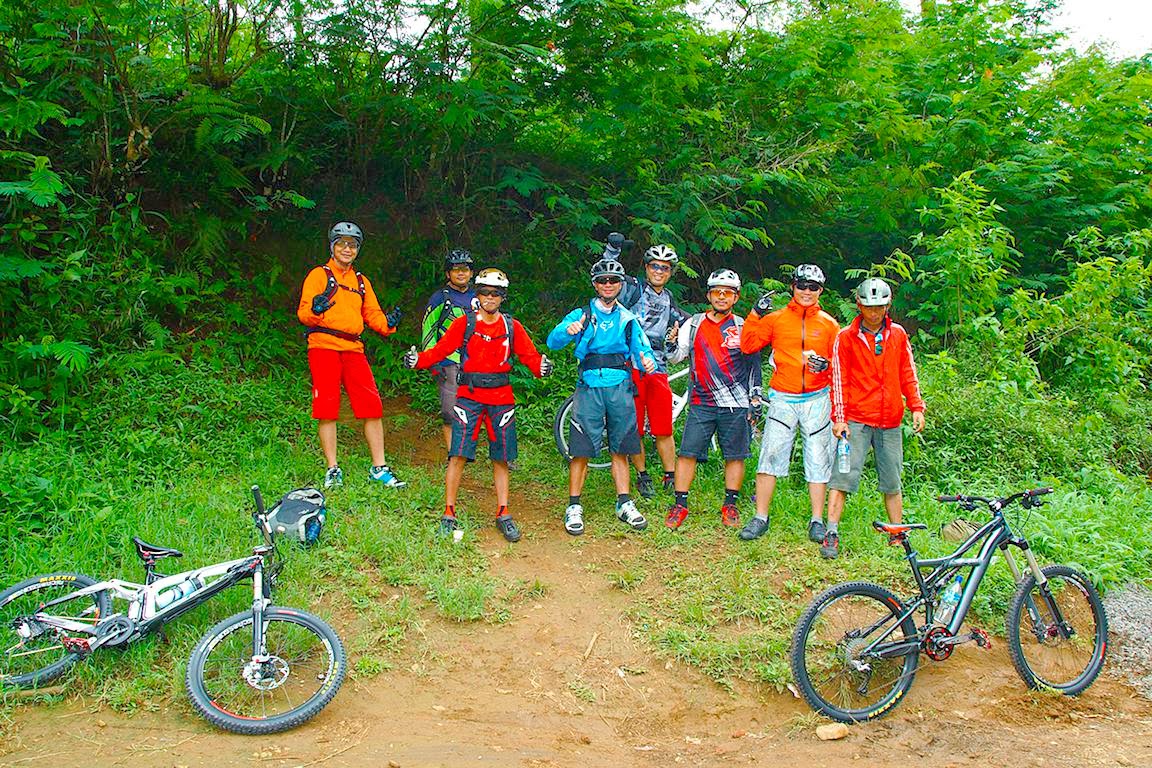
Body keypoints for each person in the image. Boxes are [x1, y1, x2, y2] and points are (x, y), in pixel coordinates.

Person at [404, 269, 552, 542]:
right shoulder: (465, 323)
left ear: (502, 297)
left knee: (501, 456)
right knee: (457, 454)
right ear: (477, 294)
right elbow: (440, 350)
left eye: (495, 293)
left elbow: (530, 357)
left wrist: (542, 368)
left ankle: (504, 513)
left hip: (501, 398)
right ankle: (448, 513)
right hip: (469, 396)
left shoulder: (511, 326)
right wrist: (418, 361)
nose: (489, 297)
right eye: (484, 292)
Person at [547, 258, 657, 536]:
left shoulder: (627, 318)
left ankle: (624, 502)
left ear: (620, 285)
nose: (608, 285)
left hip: (620, 387)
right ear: (595, 284)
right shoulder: (582, 314)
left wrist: (648, 360)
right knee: (581, 447)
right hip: (589, 388)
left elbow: (643, 348)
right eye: (603, 280)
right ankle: (574, 505)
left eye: (613, 281)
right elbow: (552, 341)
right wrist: (566, 330)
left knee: (621, 447)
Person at [297, 221, 406, 489]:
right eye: (342, 243)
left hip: (353, 348)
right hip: (323, 345)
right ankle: (332, 469)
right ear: (332, 246)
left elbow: (372, 315)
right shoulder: (319, 275)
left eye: (353, 244)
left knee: (372, 405)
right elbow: (304, 313)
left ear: (358, 249)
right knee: (327, 408)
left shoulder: (361, 281)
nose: (347, 249)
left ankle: (379, 468)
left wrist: (388, 323)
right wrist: (316, 310)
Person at [823, 277, 926, 559]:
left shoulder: (898, 334)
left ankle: (897, 533)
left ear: (887, 306)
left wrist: (916, 406)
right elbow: (839, 378)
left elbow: (908, 372)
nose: (874, 313)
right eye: (869, 307)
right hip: (856, 418)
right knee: (842, 475)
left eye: (880, 307)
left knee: (892, 479)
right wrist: (839, 417)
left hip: (890, 418)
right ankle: (831, 531)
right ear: (859, 306)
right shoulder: (845, 337)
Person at [737, 264, 840, 542]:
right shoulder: (776, 319)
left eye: (813, 287)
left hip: (818, 397)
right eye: (802, 285)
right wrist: (756, 313)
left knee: (819, 458)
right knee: (770, 454)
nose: (807, 292)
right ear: (793, 286)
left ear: (821, 290)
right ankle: (760, 517)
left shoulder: (830, 324)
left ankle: (817, 520)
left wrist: (826, 367)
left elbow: (840, 366)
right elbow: (747, 345)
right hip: (783, 396)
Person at [664, 269, 762, 530]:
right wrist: (670, 344)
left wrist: (755, 397)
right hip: (701, 401)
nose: (721, 297)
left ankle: (730, 505)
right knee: (687, 453)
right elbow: (676, 357)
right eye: (717, 292)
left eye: (727, 293)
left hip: (736, 402)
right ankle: (680, 504)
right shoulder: (694, 324)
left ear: (736, 297)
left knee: (735, 455)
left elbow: (755, 366)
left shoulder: (743, 327)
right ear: (709, 295)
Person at [421, 249, 480, 451]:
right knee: (449, 410)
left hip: (477, 361)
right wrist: (432, 360)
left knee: (482, 406)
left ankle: (493, 451)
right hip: (449, 360)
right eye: (455, 270)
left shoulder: (479, 297)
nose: (461, 273)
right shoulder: (440, 298)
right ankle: (453, 453)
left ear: (472, 273)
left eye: (465, 269)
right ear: (448, 274)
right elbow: (428, 330)